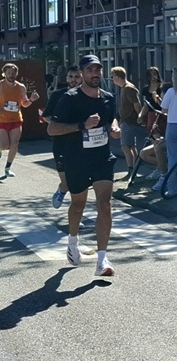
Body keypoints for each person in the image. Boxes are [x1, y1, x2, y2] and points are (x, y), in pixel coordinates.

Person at [47, 55, 121, 277]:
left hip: (101, 158)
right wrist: (82, 125)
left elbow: (112, 119)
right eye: (90, 70)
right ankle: (72, 242)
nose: (95, 73)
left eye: (98, 69)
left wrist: (114, 128)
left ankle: (102, 259)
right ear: (82, 73)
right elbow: (52, 129)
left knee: (105, 204)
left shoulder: (108, 98)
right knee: (78, 204)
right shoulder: (69, 99)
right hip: (76, 158)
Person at [42, 65, 83, 208]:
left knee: (78, 180)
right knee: (67, 181)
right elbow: (46, 115)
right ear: (66, 78)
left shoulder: (88, 95)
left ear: (82, 77)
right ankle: (62, 189)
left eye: (77, 76)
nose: (73, 80)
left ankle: (76, 212)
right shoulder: (58, 95)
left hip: (80, 142)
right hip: (61, 142)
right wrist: (60, 126)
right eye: (71, 77)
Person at [0, 63, 41, 180]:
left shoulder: (21, 87)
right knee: (4, 145)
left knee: (15, 144)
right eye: (9, 73)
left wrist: (31, 100)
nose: (11, 75)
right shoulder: (1, 86)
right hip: (2, 120)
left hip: (16, 119)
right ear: (4, 73)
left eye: (13, 73)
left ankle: (7, 168)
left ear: (16, 74)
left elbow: (24, 104)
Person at [110, 66, 146, 179]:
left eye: (112, 76)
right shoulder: (124, 88)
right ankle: (134, 168)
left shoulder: (129, 88)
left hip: (130, 121)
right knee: (130, 146)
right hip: (126, 121)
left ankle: (131, 168)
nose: (112, 79)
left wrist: (141, 117)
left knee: (125, 146)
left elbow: (136, 104)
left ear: (117, 76)